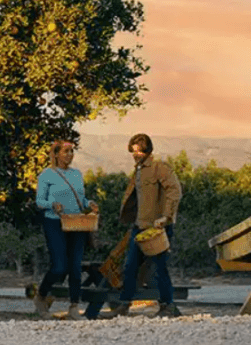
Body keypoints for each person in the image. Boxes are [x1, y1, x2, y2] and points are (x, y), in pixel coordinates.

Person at [106, 133, 183, 318]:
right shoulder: (138, 171)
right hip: (139, 226)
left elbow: (175, 190)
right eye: (133, 152)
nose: (136, 155)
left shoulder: (159, 168)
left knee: (158, 268)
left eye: (139, 151)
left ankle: (168, 305)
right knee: (130, 266)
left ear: (148, 150)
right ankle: (124, 305)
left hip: (157, 229)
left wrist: (166, 217)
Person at [32, 140, 98, 320]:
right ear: (56, 154)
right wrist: (52, 204)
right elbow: (39, 201)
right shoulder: (47, 175)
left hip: (77, 223)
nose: (70, 154)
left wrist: (90, 203)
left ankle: (74, 306)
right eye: (66, 151)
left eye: (72, 151)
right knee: (59, 266)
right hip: (55, 222)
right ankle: (41, 295)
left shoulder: (77, 174)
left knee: (75, 266)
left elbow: (81, 199)